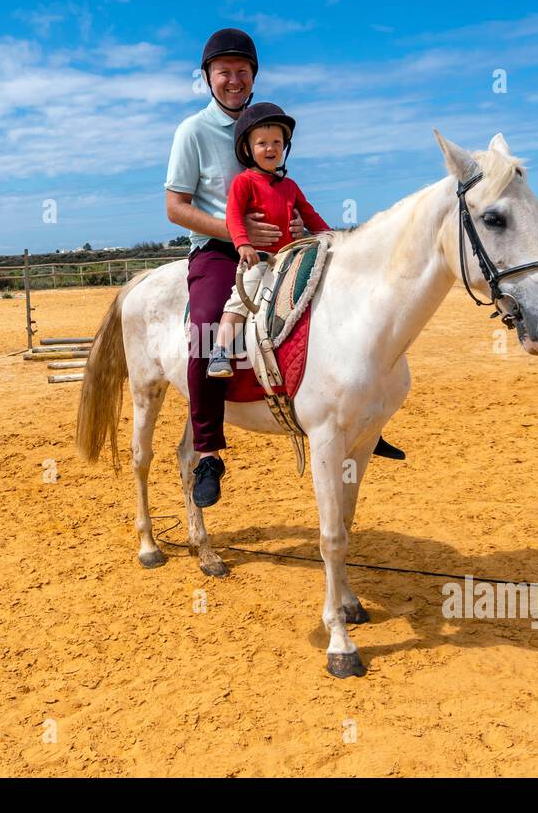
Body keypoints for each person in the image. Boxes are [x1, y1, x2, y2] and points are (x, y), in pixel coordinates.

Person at [164, 29, 403, 511]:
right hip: (218, 249)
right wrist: (238, 233)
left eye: (242, 71)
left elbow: (290, 200)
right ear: (207, 77)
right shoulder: (191, 131)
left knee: (339, 312)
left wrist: (305, 229)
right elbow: (174, 206)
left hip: (281, 249)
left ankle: (360, 419)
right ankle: (208, 450)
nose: (234, 79)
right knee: (206, 327)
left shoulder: (265, 129)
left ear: (254, 75)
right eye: (224, 71)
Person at [208, 102, 329, 377]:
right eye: (262, 143)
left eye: (277, 141)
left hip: (291, 258)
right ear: (248, 149)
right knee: (240, 300)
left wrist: (332, 239)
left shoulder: (290, 186)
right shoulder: (244, 182)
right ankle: (220, 351)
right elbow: (234, 217)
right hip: (260, 259)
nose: (271, 148)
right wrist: (243, 244)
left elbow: (311, 215)